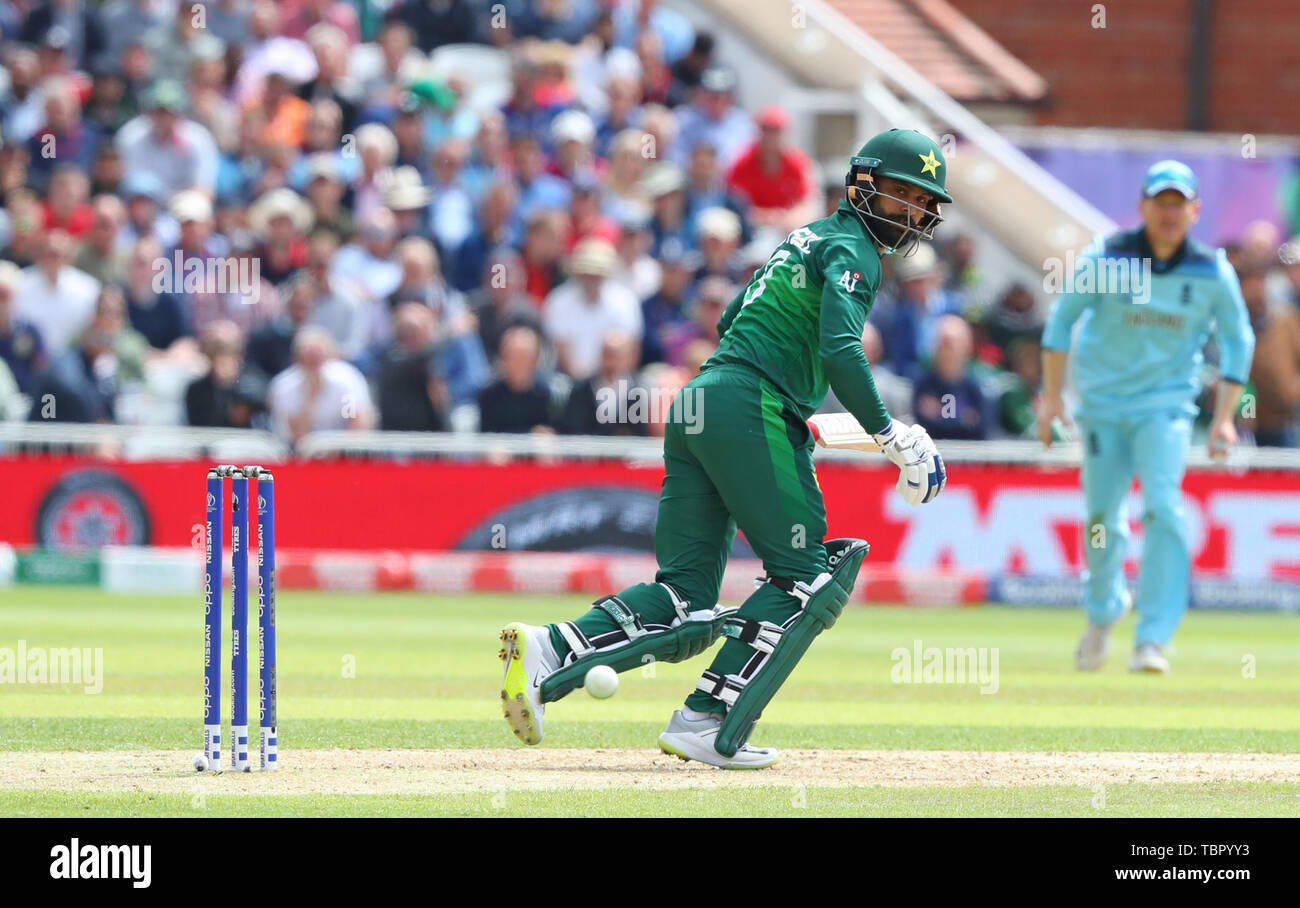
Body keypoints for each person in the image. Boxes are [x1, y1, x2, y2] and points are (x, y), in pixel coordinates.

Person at [498, 129, 950, 769]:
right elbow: (840, 350)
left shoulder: (804, 239)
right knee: (807, 577)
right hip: (748, 406)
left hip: (702, 398)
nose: (911, 212)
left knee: (684, 594)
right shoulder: (856, 249)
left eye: (921, 201)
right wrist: (890, 431)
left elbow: (733, 316)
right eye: (902, 193)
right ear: (863, 183)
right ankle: (707, 720)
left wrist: (786, 401)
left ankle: (551, 646)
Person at [1040, 160, 1255, 675]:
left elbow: (1237, 338)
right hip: (1102, 408)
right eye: (1160, 202)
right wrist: (1052, 400)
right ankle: (1103, 611)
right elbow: (1061, 321)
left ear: (1195, 210)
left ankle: (1153, 637)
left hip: (1166, 408)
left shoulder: (1212, 271)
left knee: (1164, 508)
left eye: (1178, 204)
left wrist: (1225, 418)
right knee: (1102, 521)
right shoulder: (1105, 257)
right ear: (1143, 206)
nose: (1168, 212)